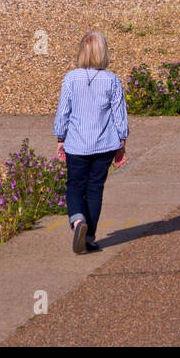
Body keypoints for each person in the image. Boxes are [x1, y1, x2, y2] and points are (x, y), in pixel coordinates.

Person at [54, 30, 128, 255]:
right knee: (95, 189)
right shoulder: (112, 80)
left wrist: (60, 138)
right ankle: (89, 236)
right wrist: (121, 142)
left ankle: (77, 222)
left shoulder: (70, 78)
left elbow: (63, 112)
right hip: (104, 145)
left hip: (76, 144)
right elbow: (119, 114)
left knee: (75, 185)